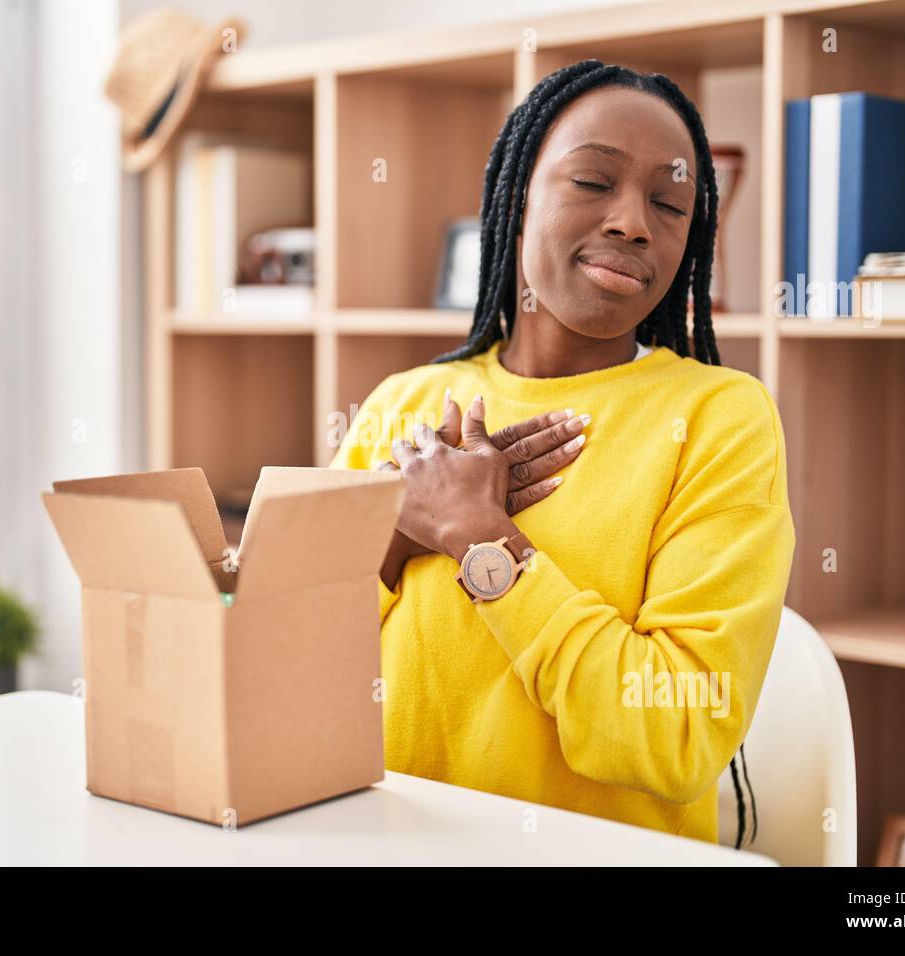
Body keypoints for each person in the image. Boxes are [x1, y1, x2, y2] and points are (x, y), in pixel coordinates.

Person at [330, 61, 796, 848]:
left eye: (669, 203)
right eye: (592, 181)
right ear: (515, 203)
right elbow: (283, 673)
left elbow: (675, 734)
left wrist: (485, 541)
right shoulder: (402, 407)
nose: (633, 222)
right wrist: (396, 532)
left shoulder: (722, 421)